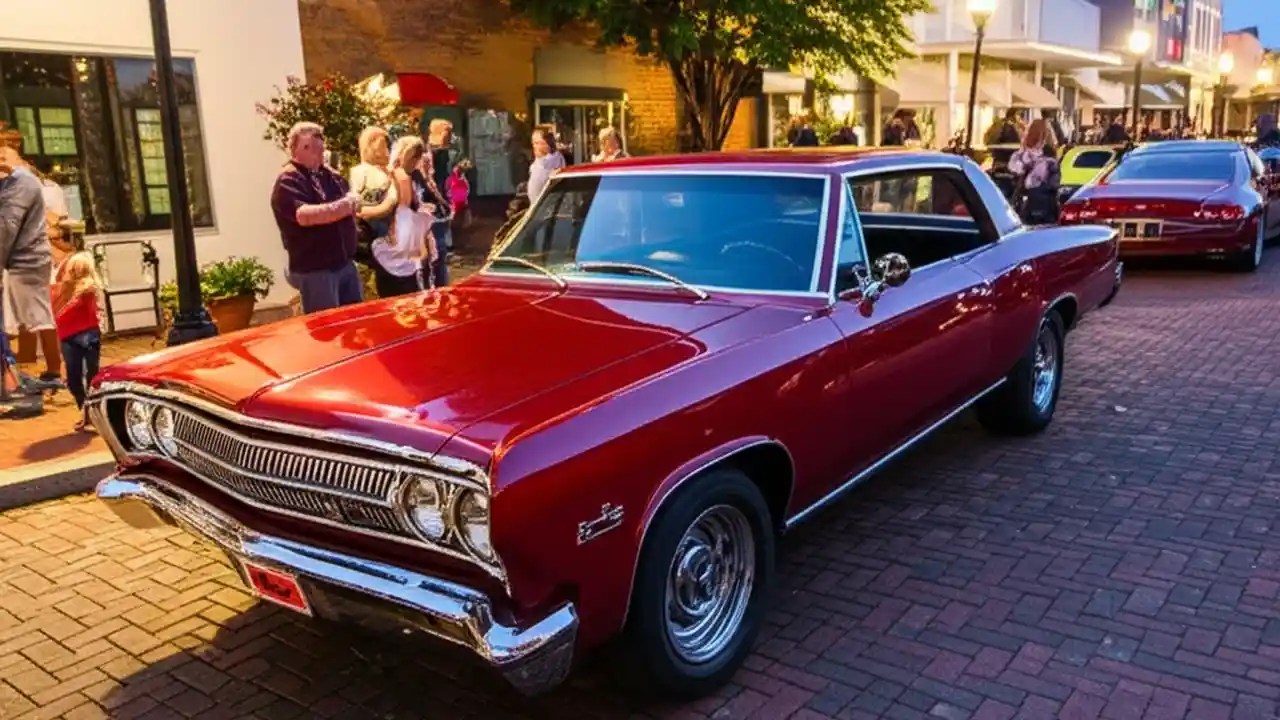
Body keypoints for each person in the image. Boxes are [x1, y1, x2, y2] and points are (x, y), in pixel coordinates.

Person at [269, 122, 364, 314]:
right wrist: (344, 206)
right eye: (313, 148)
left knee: (355, 323)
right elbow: (305, 215)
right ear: (299, 148)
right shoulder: (289, 180)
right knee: (327, 326)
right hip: (316, 269)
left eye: (321, 148)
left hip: (343, 263)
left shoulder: (329, 176)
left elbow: (350, 200)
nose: (320, 153)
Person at [0, 145, 62, 388]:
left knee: (38, 316)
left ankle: (54, 371)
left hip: (26, 260)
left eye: (4, 155)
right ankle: (42, 367)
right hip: (28, 258)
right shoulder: (22, 181)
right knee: (31, 315)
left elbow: (7, 225)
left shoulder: (21, 183)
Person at [371, 137, 434, 298]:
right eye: (413, 157)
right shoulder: (400, 175)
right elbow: (403, 207)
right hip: (398, 245)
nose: (416, 161)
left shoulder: (413, 176)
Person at [50, 251, 101, 430]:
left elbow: (68, 310)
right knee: (73, 380)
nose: (75, 271)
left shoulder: (88, 288)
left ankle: (92, 415)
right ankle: (87, 412)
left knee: (92, 377)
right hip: (68, 337)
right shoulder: (60, 289)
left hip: (88, 334)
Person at [350, 126, 398, 270]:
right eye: (383, 145)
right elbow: (361, 207)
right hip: (375, 232)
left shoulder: (388, 171)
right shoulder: (361, 172)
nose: (387, 150)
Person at [1008, 118, 1062, 225]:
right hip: (1045, 205)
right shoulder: (1049, 155)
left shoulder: (1022, 154)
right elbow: (1055, 182)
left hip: (1025, 205)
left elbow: (1014, 170)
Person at [527, 127, 565, 203]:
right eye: (533, 143)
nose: (534, 146)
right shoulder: (537, 162)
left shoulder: (553, 161)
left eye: (537, 143)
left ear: (547, 144)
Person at [447, 158, 472, 231]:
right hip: (458, 202)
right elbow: (467, 189)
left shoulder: (459, 178)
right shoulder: (455, 177)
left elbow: (467, 189)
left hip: (459, 202)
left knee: (460, 217)